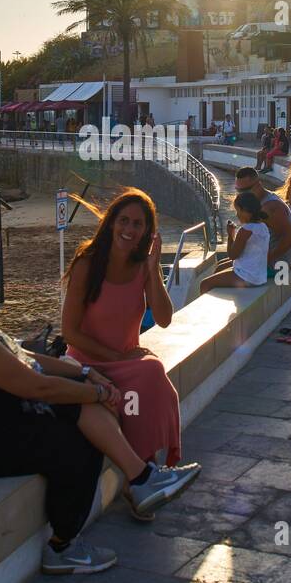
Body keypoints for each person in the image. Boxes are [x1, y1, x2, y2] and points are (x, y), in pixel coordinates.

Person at [0, 234, 200, 574]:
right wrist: (94, 392)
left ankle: (141, 478)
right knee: (75, 444)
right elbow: (37, 387)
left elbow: (25, 357)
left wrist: (84, 373)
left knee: (81, 407)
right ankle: (63, 546)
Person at [62, 191, 186, 493]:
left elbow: (165, 319)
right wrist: (119, 357)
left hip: (125, 364)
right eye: (124, 221)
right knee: (151, 372)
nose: (129, 230)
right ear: (111, 223)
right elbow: (70, 333)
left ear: (147, 231)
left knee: (152, 378)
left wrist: (154, 267)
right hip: (88, 364)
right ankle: (145, 477)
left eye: (138, 224)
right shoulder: (87, 264)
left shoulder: (142, 265)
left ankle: (145, 474)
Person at [200, 192, 270, 292]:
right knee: (220, 267)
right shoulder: (263, 226)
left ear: (245, 211)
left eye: (238, 211)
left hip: (247, 277)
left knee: (205, 284)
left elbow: (232, 255)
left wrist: (230, 235)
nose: (237, 215)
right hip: (259, 276)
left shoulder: (246, 230)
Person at [234, 168, 291, 277]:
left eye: (245, 190)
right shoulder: (257, 202)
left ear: (258, 184)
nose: (241, 195)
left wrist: (265, 260)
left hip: (277, 266)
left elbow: (290, 238)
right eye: (238, 190)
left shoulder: (270, 207)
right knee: (221, 266)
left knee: (207, 283)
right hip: (265, 261)